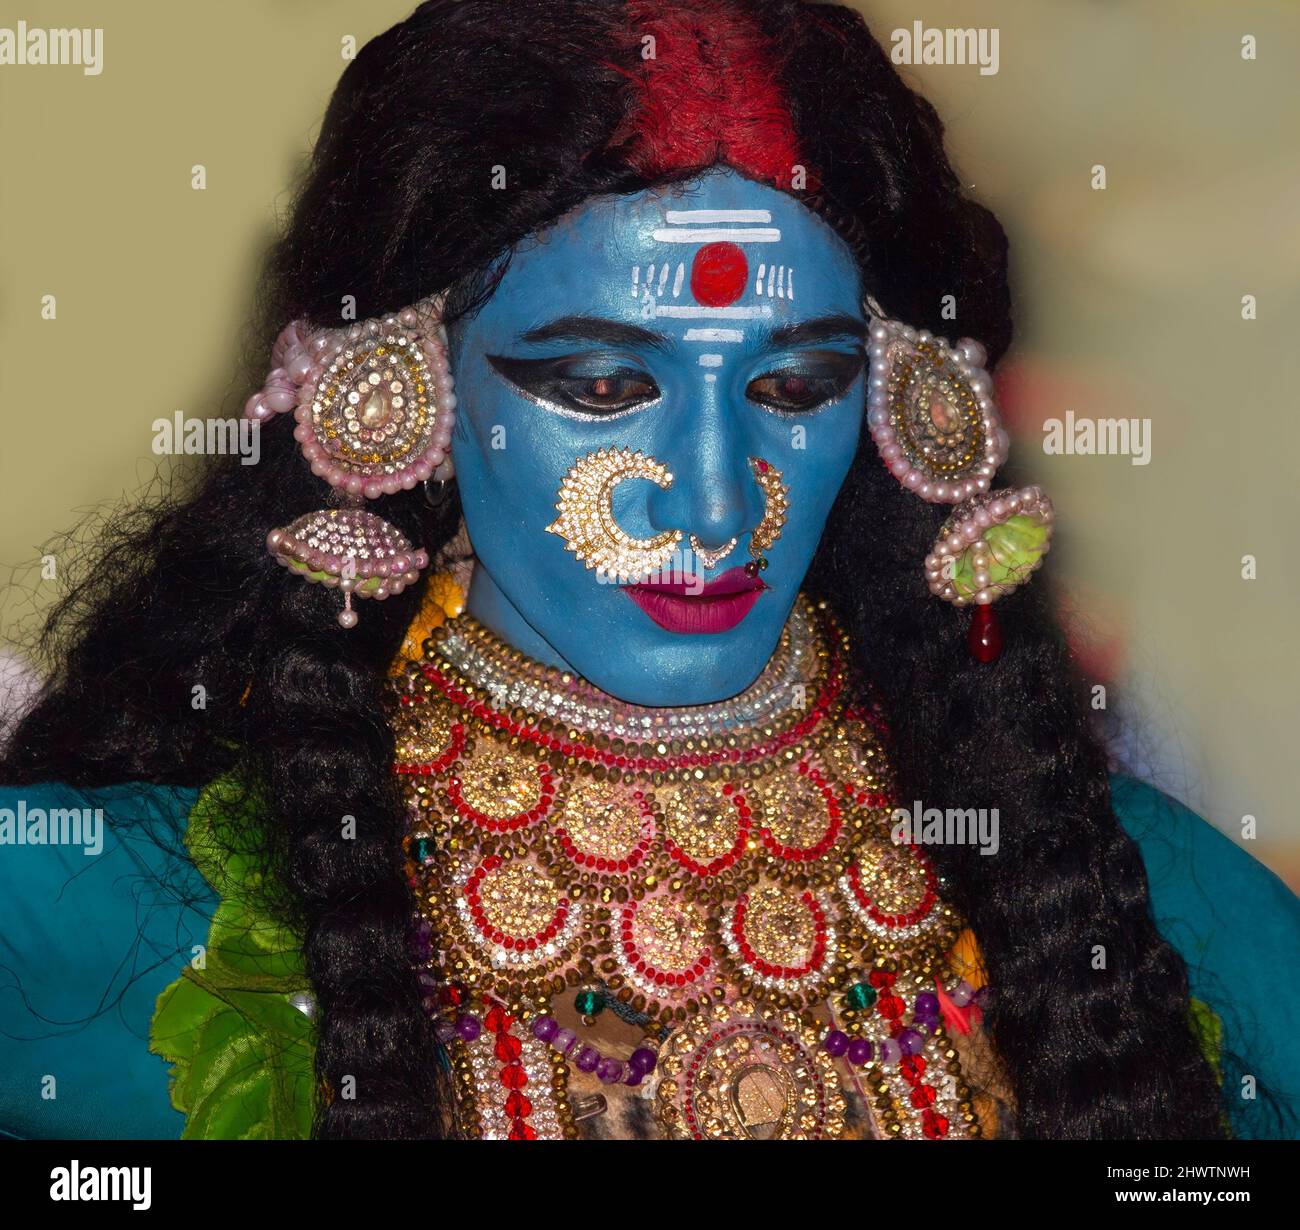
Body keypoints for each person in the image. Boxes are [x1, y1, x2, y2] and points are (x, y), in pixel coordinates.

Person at [1, 0, 1296, 1141]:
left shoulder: (1115, 895)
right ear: (403, 386)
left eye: (797, 385)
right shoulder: (137, 918)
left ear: (903, 405)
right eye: (607, 385)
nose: (720, 494)